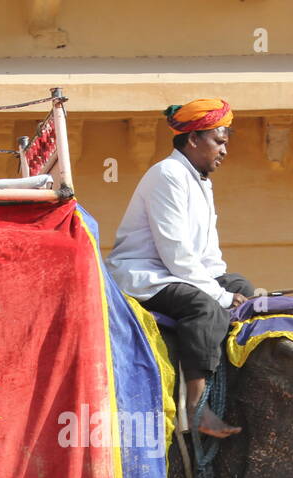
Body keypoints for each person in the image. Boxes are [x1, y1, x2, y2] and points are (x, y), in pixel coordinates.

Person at [107, 98, 256, 438]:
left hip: (178, 272)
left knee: (242, 288)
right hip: (147, 275)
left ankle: (231, 386)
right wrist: (218, 294)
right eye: (219, 141)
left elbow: (207, 255)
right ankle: (199, 409)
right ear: (193, 139)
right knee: (203, 306)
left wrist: (229, 289)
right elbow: (175, 252)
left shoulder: (201, 181)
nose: (224, 150)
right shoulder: (167, 175)